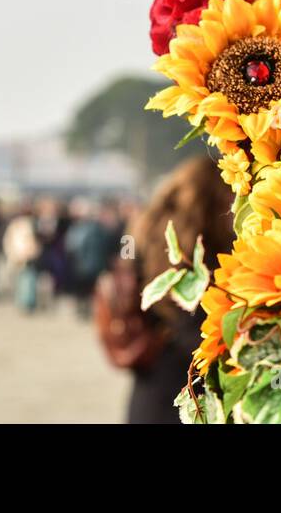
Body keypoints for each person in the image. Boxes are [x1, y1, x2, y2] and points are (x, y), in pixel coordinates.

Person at [99, 157, 234, 424]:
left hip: (149, 391)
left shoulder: (144, 232)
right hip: (190, 397)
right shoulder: (201, 255)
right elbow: (199, 335)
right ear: (211, 204)